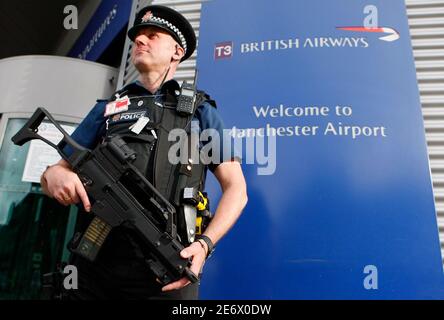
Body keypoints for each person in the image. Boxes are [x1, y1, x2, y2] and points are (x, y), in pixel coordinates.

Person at [40, 5, 247, 300]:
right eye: (137, 36)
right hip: (95, 270)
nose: (140, 40)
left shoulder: (200, 113)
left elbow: (237, 190)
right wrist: (56, 176)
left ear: (177, 51)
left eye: (152, 35)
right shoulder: (107, 109)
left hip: (168, 271)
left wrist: (204, 245)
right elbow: (52, 175)